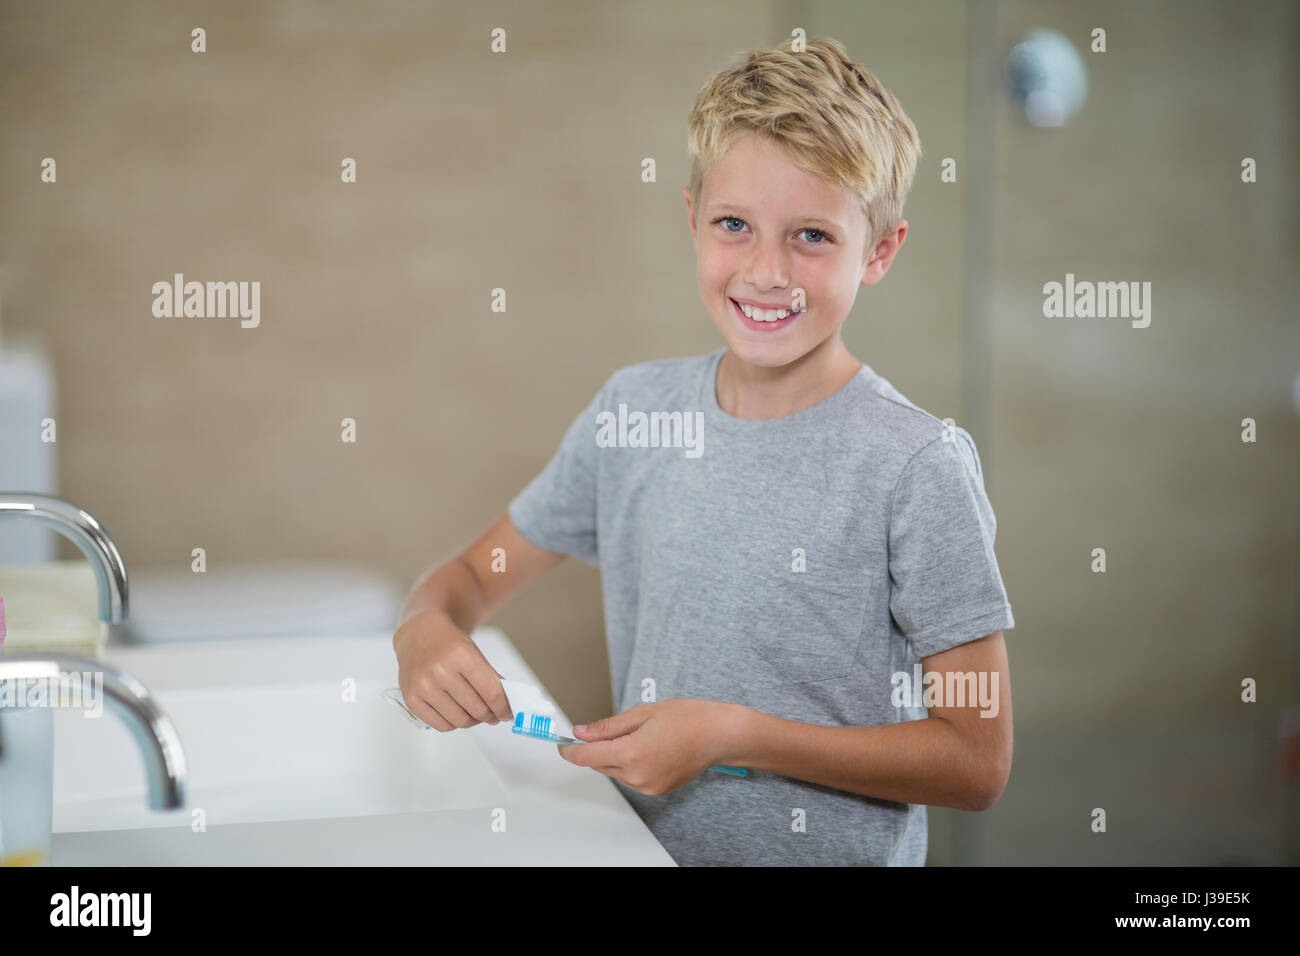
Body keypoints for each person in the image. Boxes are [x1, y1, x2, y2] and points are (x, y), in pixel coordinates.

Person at [394, 37, 1015, 866]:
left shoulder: (916, 466)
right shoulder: (634, 413)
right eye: (734, 225)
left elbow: (976, 760)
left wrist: (740, 735)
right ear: (691, 218)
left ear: (881, 251)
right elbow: (474, 577)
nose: (765, 271)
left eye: (812, 237)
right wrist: (422, 631)